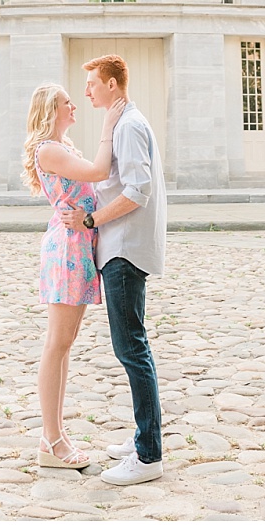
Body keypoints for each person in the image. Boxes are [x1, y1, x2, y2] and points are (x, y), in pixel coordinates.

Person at [59, 53, 168, 485]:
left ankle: (147, 456)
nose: (86, 92)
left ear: (112, 85)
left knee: (132, 350)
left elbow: (137, 192)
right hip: (120, 249)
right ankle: (145, 437)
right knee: (132, 349)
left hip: (124, 251)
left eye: (92, 84)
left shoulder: (129, 126)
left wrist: (90, 221)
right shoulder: (122, 124)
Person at [22, 83, 119, 469]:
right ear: (52, 109)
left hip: (77, 245)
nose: (74, 105)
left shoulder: (62, 147)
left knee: (64, 343)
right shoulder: (49, 149)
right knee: (57, 344)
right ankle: (51, 439)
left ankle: (55, 436)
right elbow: (98, 170)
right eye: (67, 102)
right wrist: (109, 124)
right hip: (66, 249)